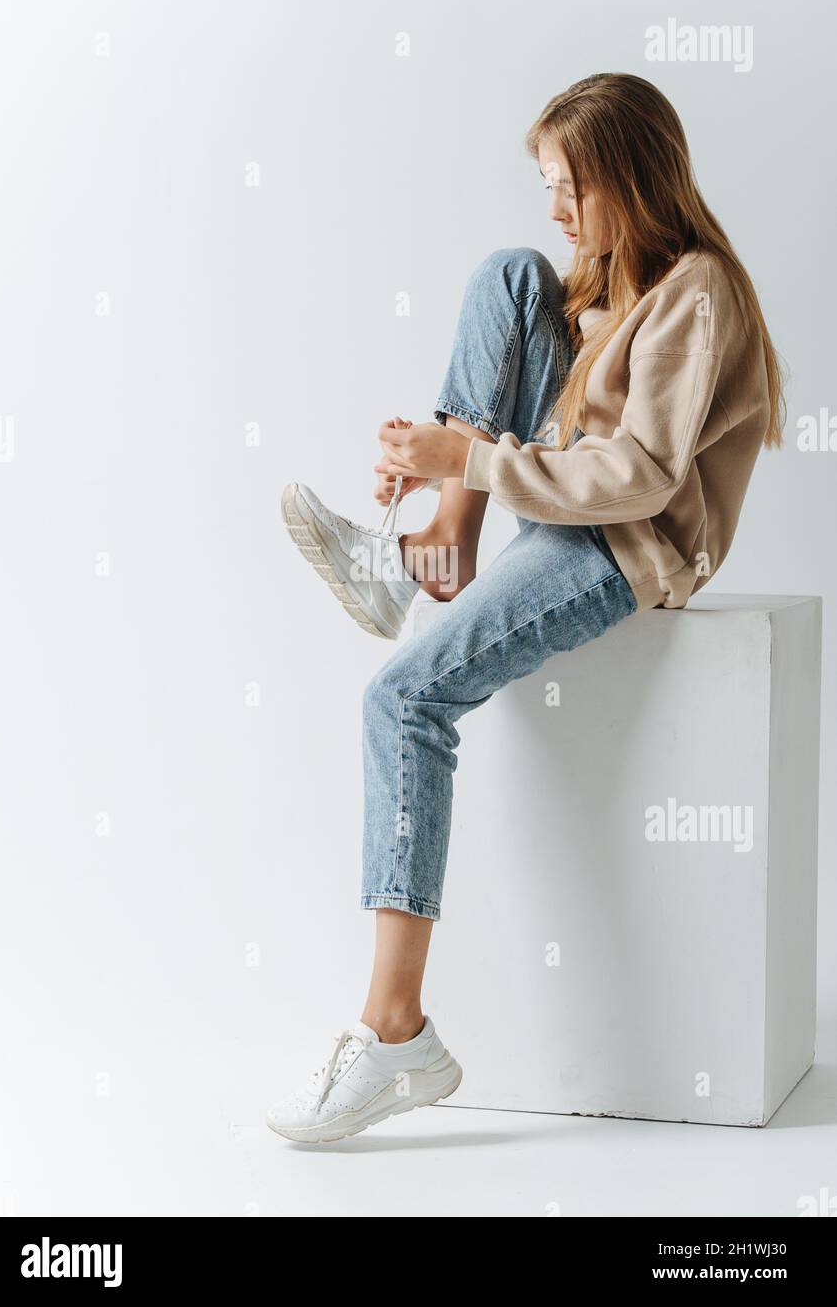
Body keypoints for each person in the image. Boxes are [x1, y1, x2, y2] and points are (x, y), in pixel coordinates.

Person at [269, 73, 784, 1143]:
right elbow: (542, 409)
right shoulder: (598, 288)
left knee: (401, 699)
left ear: (631, 182)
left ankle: (395, 1030)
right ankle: (428, 552)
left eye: (570, 187)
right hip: (569, 513)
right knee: (507, 278)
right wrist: (447, 466)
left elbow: (637, 474)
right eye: (547, 183)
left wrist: (473, 455)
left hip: (629, 545)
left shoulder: (697, 293)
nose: (556, 209)